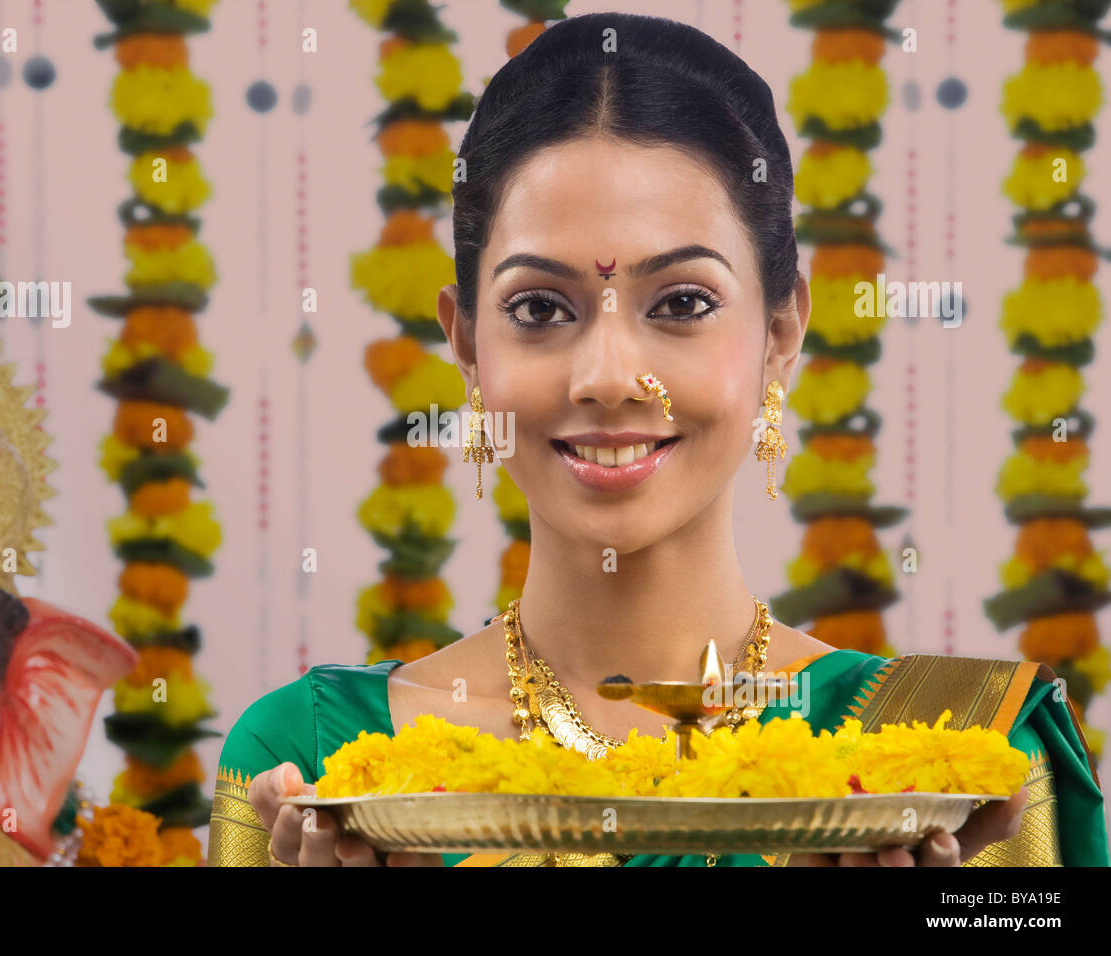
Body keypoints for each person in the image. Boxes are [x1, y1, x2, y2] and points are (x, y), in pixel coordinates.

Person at [209, 12, 1108, 867]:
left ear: (781, 332)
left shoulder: (958, 761)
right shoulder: (315, 771)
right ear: (468, 343)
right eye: (539, 308)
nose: (607, 375)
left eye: (681, 303)